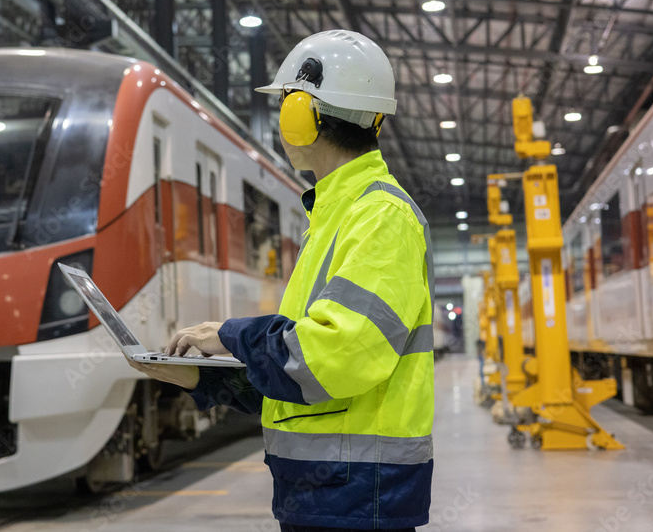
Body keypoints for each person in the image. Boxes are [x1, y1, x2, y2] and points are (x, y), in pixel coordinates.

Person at [128, 30, 434, 531]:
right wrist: (203, 378)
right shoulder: (338, 214)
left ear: (303, 115)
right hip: (330, 491)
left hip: (357, 495)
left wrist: (231, 335)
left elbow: (336, 358)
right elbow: (302, 376)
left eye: (285, 108)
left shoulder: (379, 216)